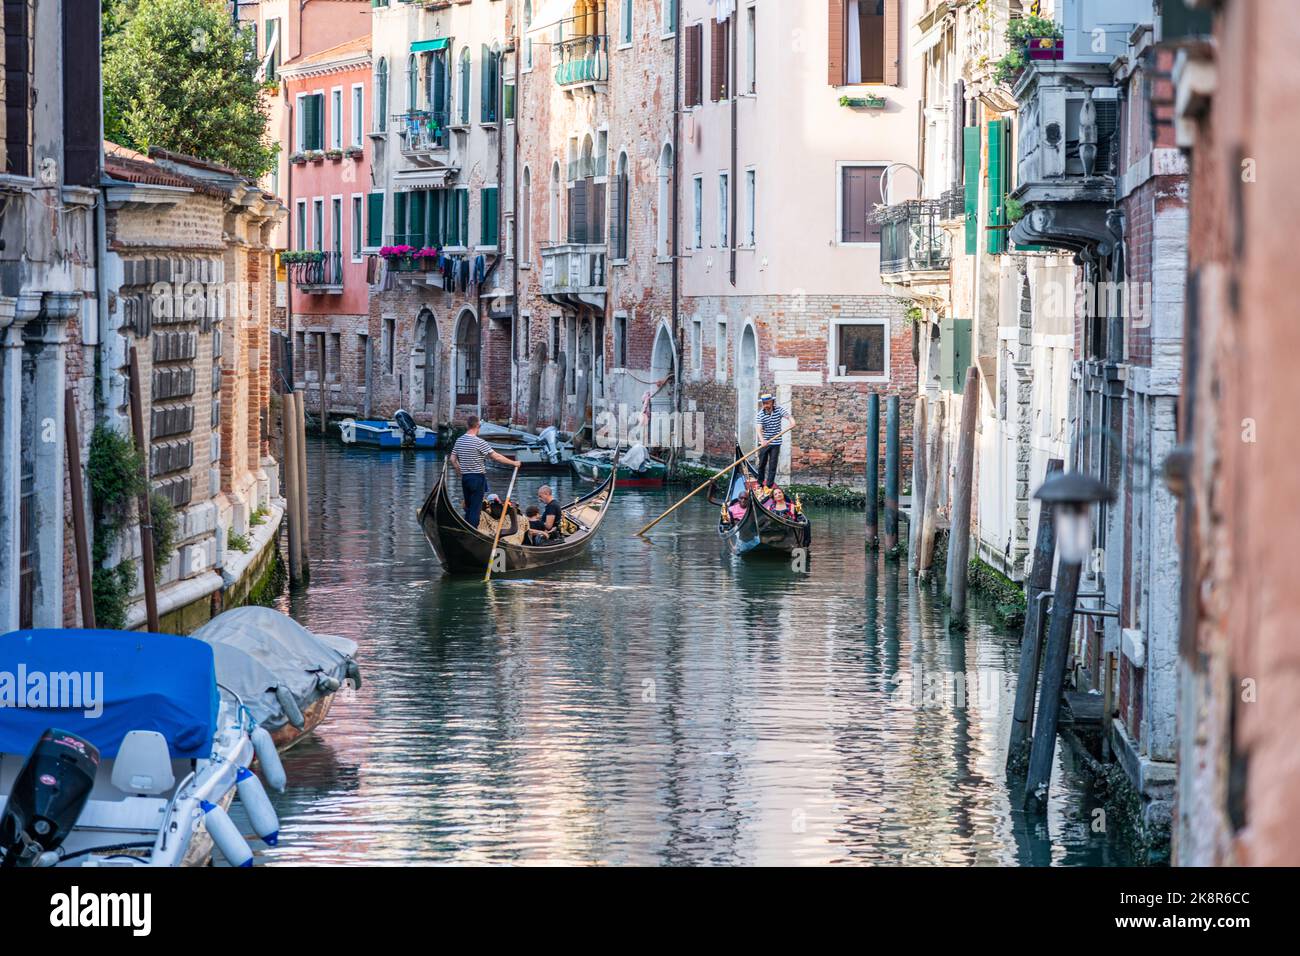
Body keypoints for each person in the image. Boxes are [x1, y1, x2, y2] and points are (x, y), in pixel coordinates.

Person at [451, 415, 520, 527]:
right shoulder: (479, 442)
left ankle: (466, 528)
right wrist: (514, 463)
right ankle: (472, 531)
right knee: (475, 509)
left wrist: (460, 471)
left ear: (467, 425)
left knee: (469, 507)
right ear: (478, 425)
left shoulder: (459, 440)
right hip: (477, 479)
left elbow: (453, 459)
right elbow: (496, 457)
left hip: (465, 478)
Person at [754, 393, 794, 490]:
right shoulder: (760, 415)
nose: (765, 405)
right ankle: (760, 482)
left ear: (772, 402)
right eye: (764, 403)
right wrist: (762, 440)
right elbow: (758, 429)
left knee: (773, 464)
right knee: (762, 464)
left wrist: (792, 422)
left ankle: (769, 485)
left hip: (776, 443)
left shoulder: (779, 410)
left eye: (767, 403)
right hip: (764, 443)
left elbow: (789, 416)